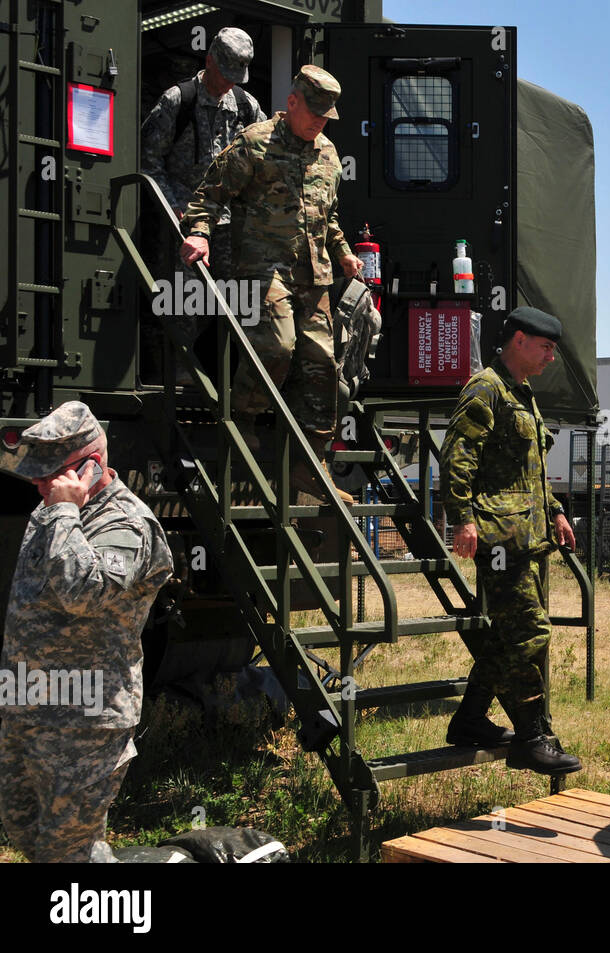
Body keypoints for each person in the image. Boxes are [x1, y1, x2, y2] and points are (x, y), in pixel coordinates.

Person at [178, 65, 363, 503]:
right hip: (264, 269)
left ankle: (309, 463)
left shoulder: (329, 154)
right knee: (278, 347)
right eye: (314, 111)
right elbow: (209, 194)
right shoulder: (255, 142)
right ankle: (242, 416)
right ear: (293, 101)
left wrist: (343, 252)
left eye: (326, 115)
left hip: (313, 274)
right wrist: (199, 232)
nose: (319, 121)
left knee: (324, 369)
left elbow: (328, 215)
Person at [0, 402, 174, 862]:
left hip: (84, 719)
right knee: (26, 833)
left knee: (68, 849)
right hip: (28, 703)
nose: (39, 484)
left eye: (51, 473)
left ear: (92, 466)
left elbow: (83, 593)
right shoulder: (52, 511)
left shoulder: (127, 524)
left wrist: (62, 513)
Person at [439, 307, 582, 776]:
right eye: (545, 347)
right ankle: (531, 738)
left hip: (529, 536)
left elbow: (530, 470)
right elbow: (457, 456)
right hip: (501, 539)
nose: (551, 357)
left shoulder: (522, 394)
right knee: (530, 633)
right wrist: (462, 520)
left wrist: (557, 511)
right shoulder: (486, 387)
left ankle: (470, 719)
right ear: (518, 340)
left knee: (506, 635)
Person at [142, 26, 264, 255]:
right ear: (209, 61)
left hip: (231, 224)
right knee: (187, 290)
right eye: (225, 75)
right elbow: (149, 160)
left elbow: (264, 157)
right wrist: (171, 205)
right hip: (184, 222)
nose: (229, 84)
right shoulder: (178, 99)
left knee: (231, 291)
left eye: (235, 79)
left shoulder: (246, 106)